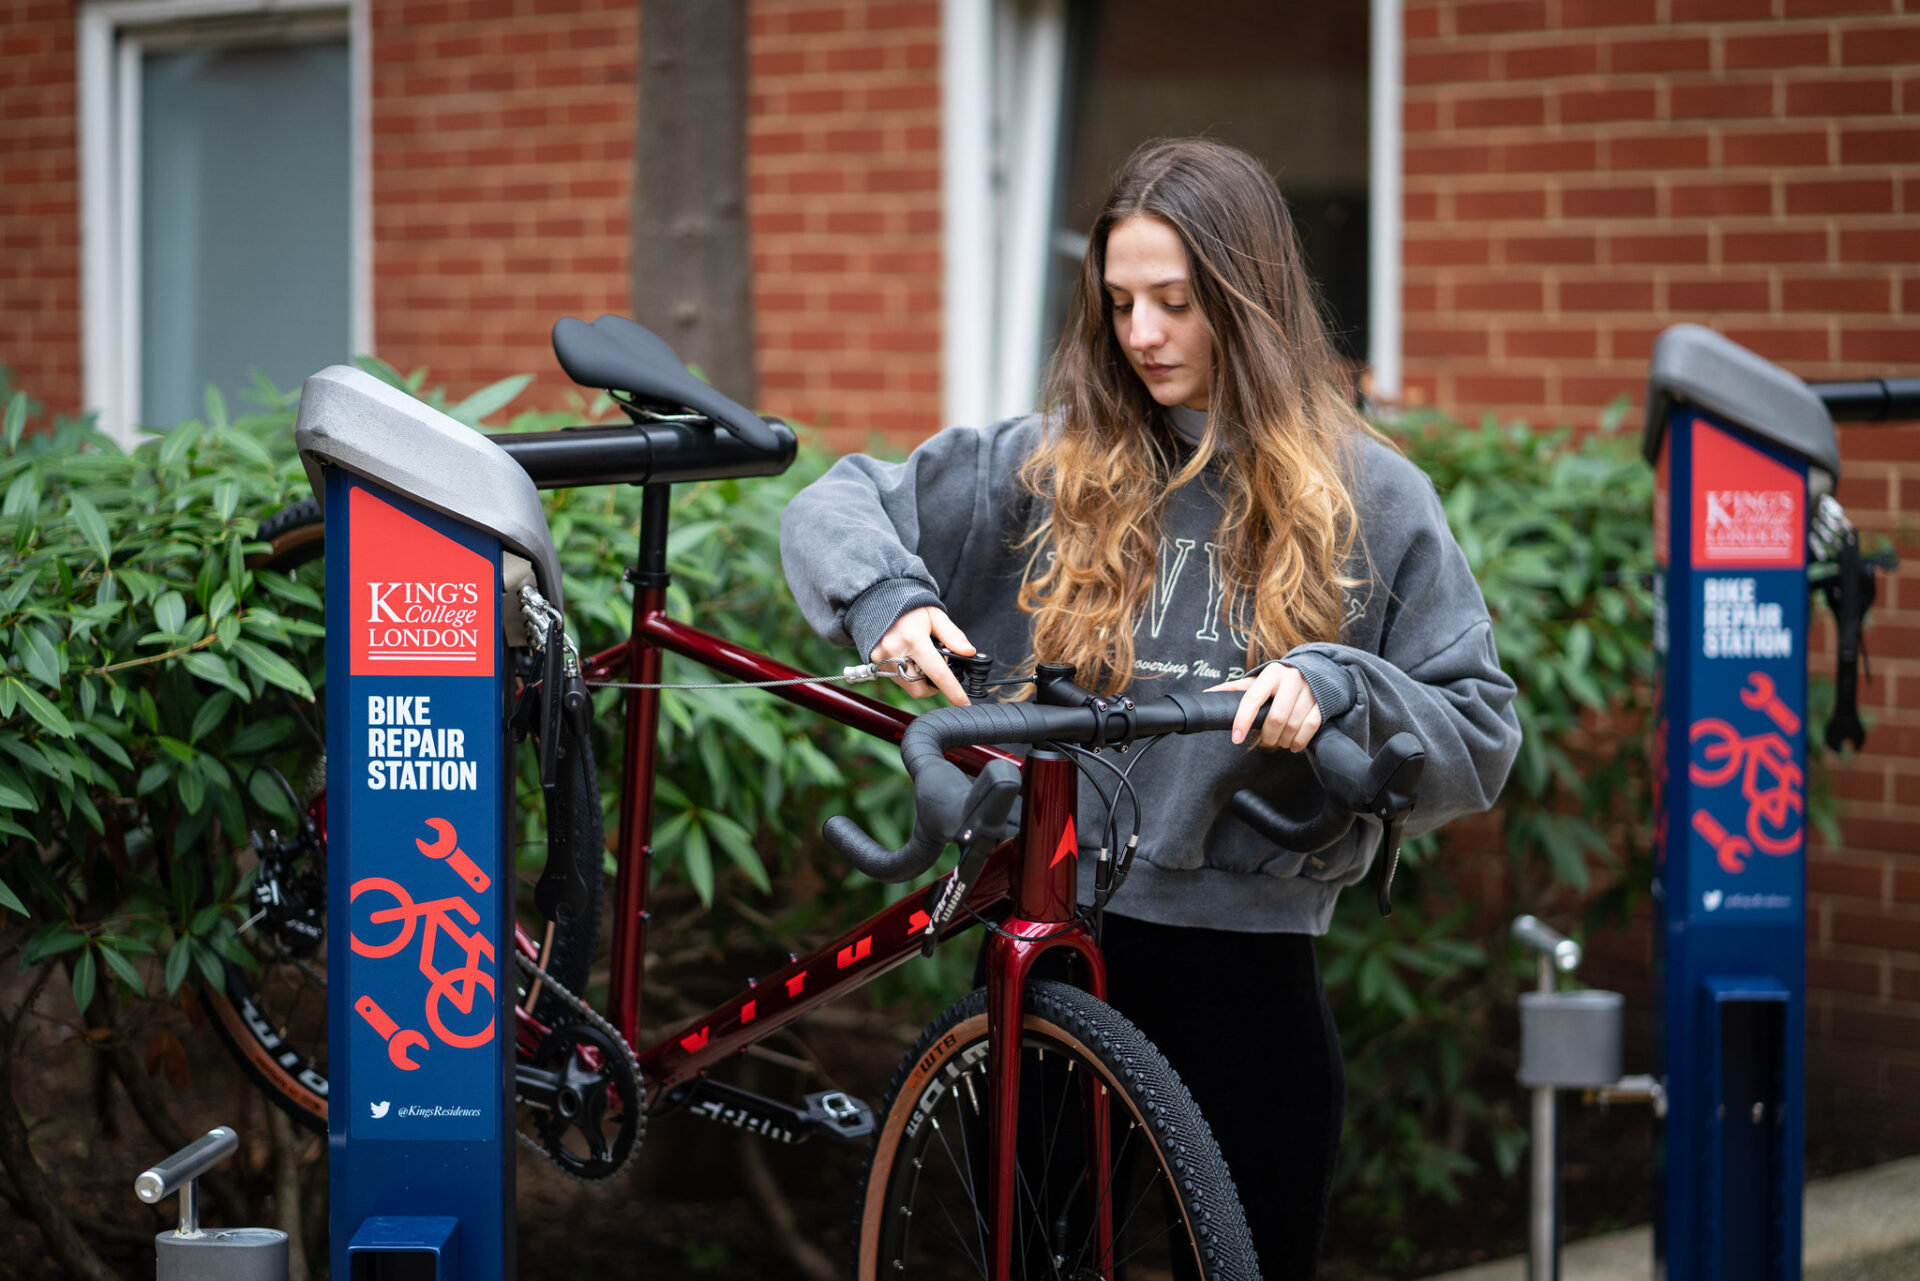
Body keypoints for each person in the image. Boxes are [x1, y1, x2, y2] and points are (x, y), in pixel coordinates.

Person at [781, 137, 1521, 1278]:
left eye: (1177, 302)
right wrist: (888, 600)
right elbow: (836, 505)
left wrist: (1337, 687)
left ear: (1249, 299)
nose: (1141, 335)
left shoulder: (1370, 494)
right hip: (1052, 940)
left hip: (1250, 968)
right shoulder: (1048, 465)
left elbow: (1479, 727)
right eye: (1120, 301)